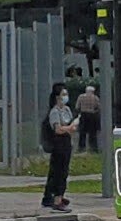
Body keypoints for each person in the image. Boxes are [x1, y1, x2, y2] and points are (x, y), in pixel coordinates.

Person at [42, 82, 77, 212]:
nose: (65, 97)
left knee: (64, 172)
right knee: (58, 172)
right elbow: (58, 129)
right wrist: (69, 128)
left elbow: (68, 125)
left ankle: (60, 196)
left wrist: (71, 127)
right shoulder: (54, 112)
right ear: (57, 97)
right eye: (63, 94)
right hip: (58, 144)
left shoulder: (66, 110)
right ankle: (56, 199)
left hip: (67, 143)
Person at [76, 85, 101, 153]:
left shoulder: (81, 97)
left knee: (82, 133)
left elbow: (77, 107)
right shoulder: (95, 98)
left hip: (83, 115)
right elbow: (99, 107)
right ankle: (93, 148)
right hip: (92, 116)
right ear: (93, 91)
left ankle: (81, 148)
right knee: (92, 133)